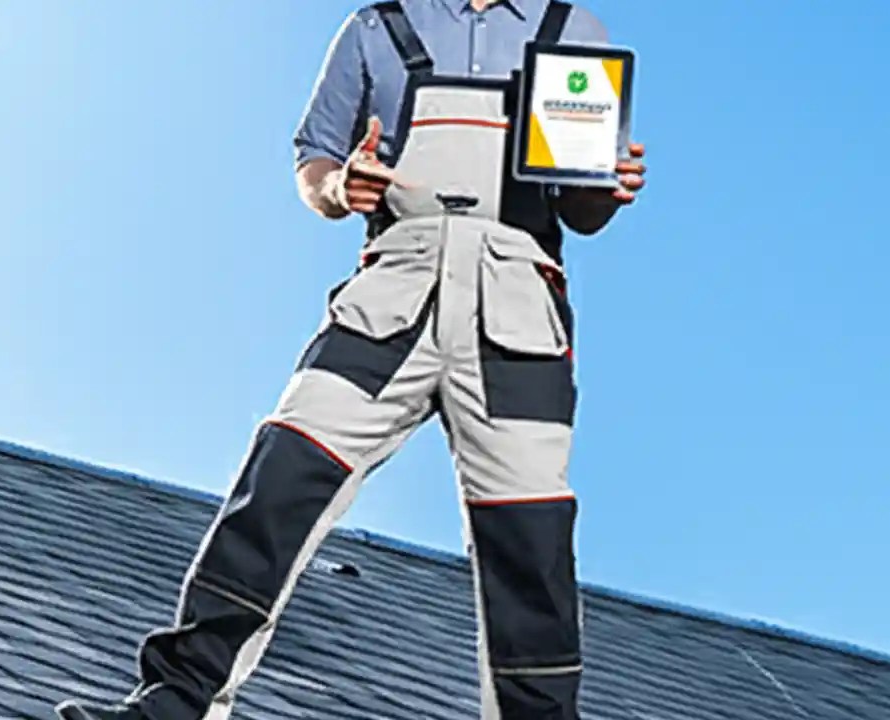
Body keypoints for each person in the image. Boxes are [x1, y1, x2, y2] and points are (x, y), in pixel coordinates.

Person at [56, 0, 645, 718]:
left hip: (514, 306)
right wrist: (338, 187)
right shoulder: (376, 28)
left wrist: (609, 188)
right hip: (393, 290)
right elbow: (316, 158)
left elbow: (582, 211)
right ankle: (176, 704)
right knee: (281, 478)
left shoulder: (572, 32)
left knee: (531, 544)